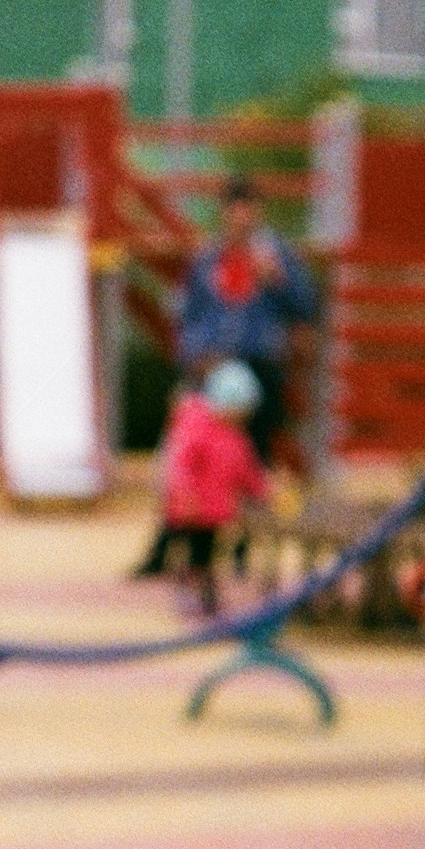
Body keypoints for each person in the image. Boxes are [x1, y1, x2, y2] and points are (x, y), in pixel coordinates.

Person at [175, 177, 320, 462]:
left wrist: (279, 279)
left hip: (260, 357)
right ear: (225, 213)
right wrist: (194, 354)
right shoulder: (207, 258)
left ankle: (256, 478)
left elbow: (307, 306)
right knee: (205, 432)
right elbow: (187, 315)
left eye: (248, 210)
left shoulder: (278, 255)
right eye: (235, 210)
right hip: (213, 358)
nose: (242, 218)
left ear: (258, 212)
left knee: (260, 419)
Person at [143, 359, 269, 615]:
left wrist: (264, 492)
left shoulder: (236, 436)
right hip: (192, 509)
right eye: (240, 410)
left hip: (214, 511)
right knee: (194, 554)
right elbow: (182, 464)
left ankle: (203, 593)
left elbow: (247, 470)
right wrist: (185, 494)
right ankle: (196, 593)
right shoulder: (198, 428)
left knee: (206, 554)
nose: (243, 417)